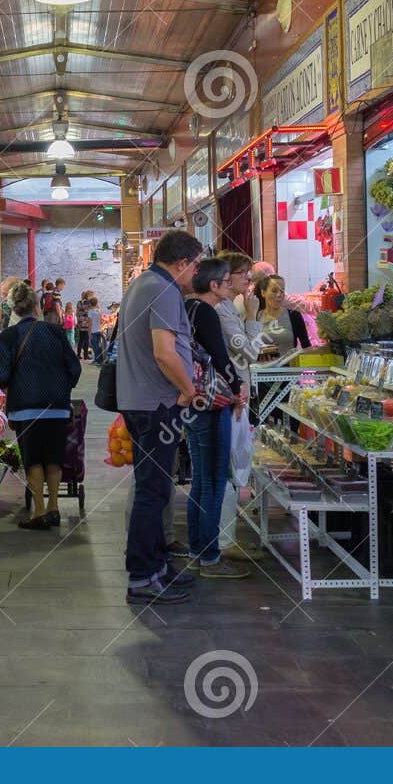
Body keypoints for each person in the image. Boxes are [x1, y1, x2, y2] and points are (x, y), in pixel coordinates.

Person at [117, 228, 205, 605]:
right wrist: (188, 390)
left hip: (142, 401)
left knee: (154, 489)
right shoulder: (165, 290)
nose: (198, 273)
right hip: (156, 405)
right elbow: (164, 353)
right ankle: (142, 576)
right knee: (153, 493)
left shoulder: (144, 284)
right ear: (182, 263)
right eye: (197, 265)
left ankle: (156, 566)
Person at [0, 281, 82, 529]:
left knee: (33, 459)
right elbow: (74, 367)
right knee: (53, 457)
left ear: (13, 309)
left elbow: (2, 376)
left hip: (25, 408)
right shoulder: (55, 331)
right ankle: (54, 507)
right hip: (57, 405)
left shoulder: (8, 336)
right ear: (35, 305)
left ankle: (39, 512)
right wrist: (63, 388)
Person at [183, 258, 248, 578]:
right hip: (211, 403)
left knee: (200, 478)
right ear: (214, 286)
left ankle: (197, 546)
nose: (230, 285)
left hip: (191, 402)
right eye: (226, 280)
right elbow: (221, 358)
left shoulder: (187, 308)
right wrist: (237, 387)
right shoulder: (207, 312)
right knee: (214, 480)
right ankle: (209, 556)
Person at [213, 251, 263, 562]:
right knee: (226, 467)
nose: (248, 279)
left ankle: (224, 537)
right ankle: (222, 541)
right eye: (244, 273)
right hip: (228, 397)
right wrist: (252, 318)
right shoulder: (223, 310)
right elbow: (248, 353)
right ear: (226, 277)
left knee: (229, 466)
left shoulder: (228, 307)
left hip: (234, 394)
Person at [255, 274, 311, 356]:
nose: (279, 295)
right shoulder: (256, 317)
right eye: (274, 291)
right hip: (263, 367)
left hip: (290, 367)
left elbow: (306, 346)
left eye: (282, 291)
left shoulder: (294, 316)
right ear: (263, 293)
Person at [74, 290, 97, 360]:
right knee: (86, 339)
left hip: (80, 322)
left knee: (81, 339)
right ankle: (85, 355)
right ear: (89, 296)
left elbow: (77, 313)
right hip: (86, 322)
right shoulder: (89, 303)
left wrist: (78, 321)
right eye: (92, 295)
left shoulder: (79, 302)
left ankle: (78, 354)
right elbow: (92, 311)